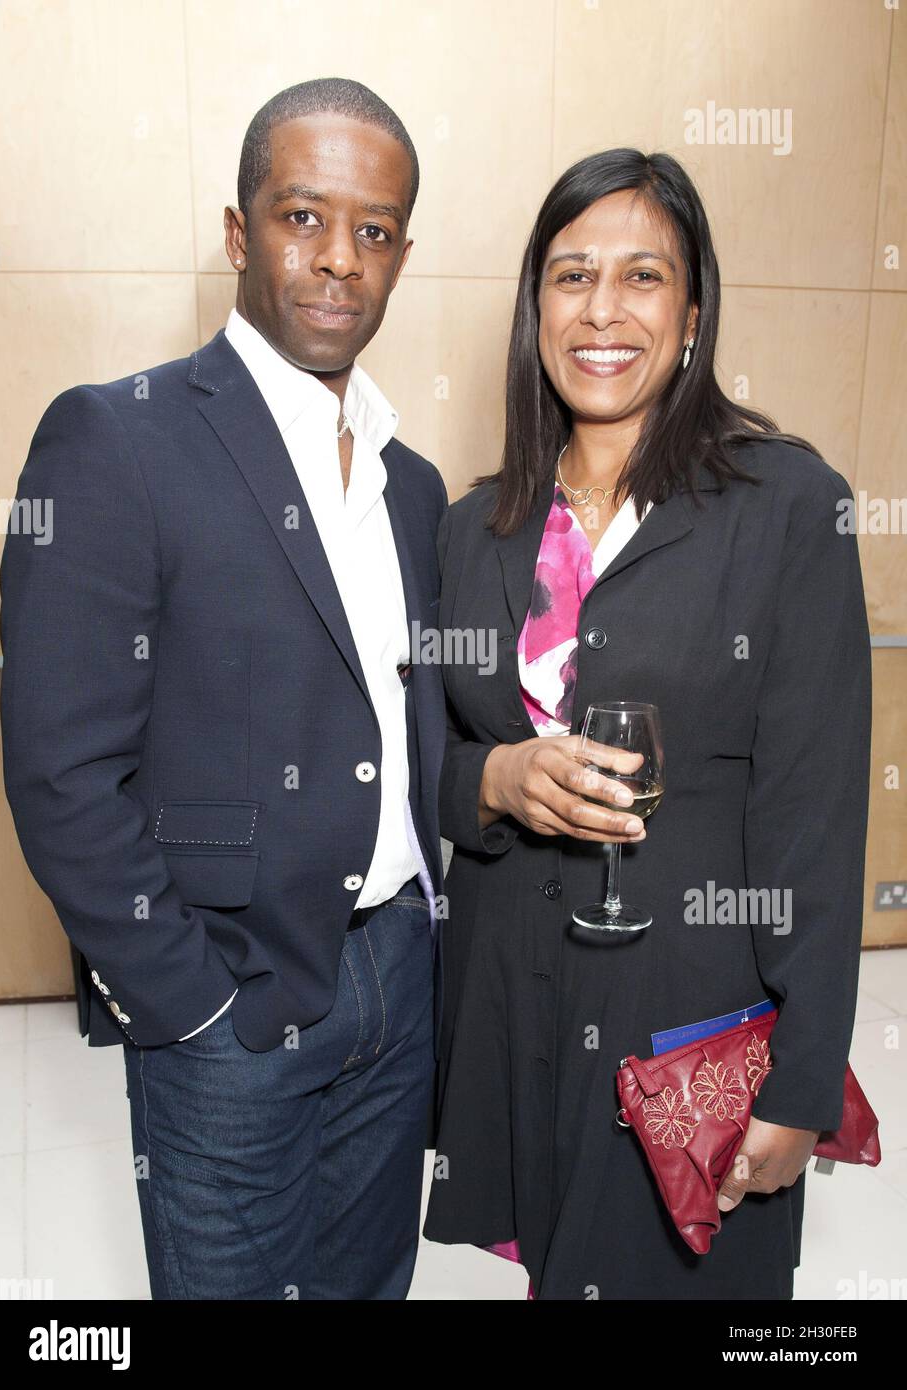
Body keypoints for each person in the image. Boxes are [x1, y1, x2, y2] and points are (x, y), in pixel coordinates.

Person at [0, 78, 449, 1301]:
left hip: (396, 987)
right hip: (231, 1006)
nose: (338, 260)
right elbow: (59, 771)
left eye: (373, 231)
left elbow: (403, 728)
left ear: (402, 255)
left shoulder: (412, 484)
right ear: (240, 231)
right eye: (304, 217)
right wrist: (188, 1003)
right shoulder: (118, 439)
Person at [422, 148, 872, 1300]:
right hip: (521, 998)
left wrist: (801, 1084)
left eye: (642, 276)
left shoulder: (783, 507)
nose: (602, 310)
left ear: (692, 313)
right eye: (572, 276)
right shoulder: (475, 526)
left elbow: (815, 817)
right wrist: (491, 778)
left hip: (694, 1020)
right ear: (535, 310)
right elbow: (424, 756)